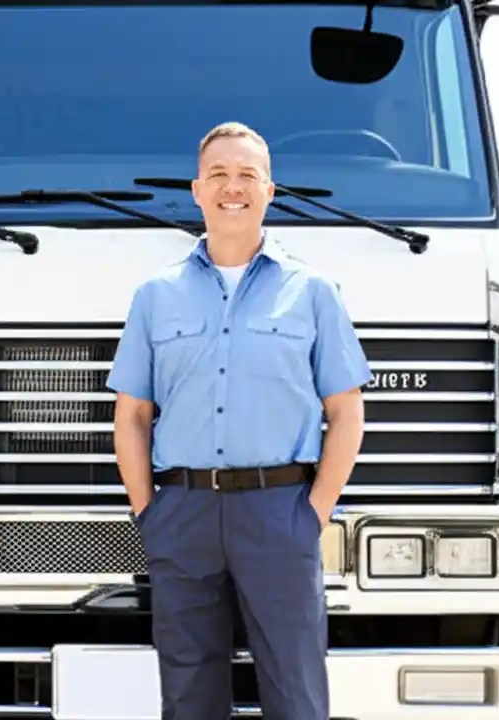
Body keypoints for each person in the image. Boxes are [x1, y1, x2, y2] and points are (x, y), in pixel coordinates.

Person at [105, 121, 371, 719]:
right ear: (197, 190)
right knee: (189, 692)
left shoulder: (313, 292)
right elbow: (132, 415)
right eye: (219, 175)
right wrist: (149, 511)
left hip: (280, 512)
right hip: (183, 514)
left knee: (295, 690)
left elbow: (346, 410)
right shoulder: (155, 295)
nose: (233, 187)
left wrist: (314, 511)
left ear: (269, 191)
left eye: (247, 175)